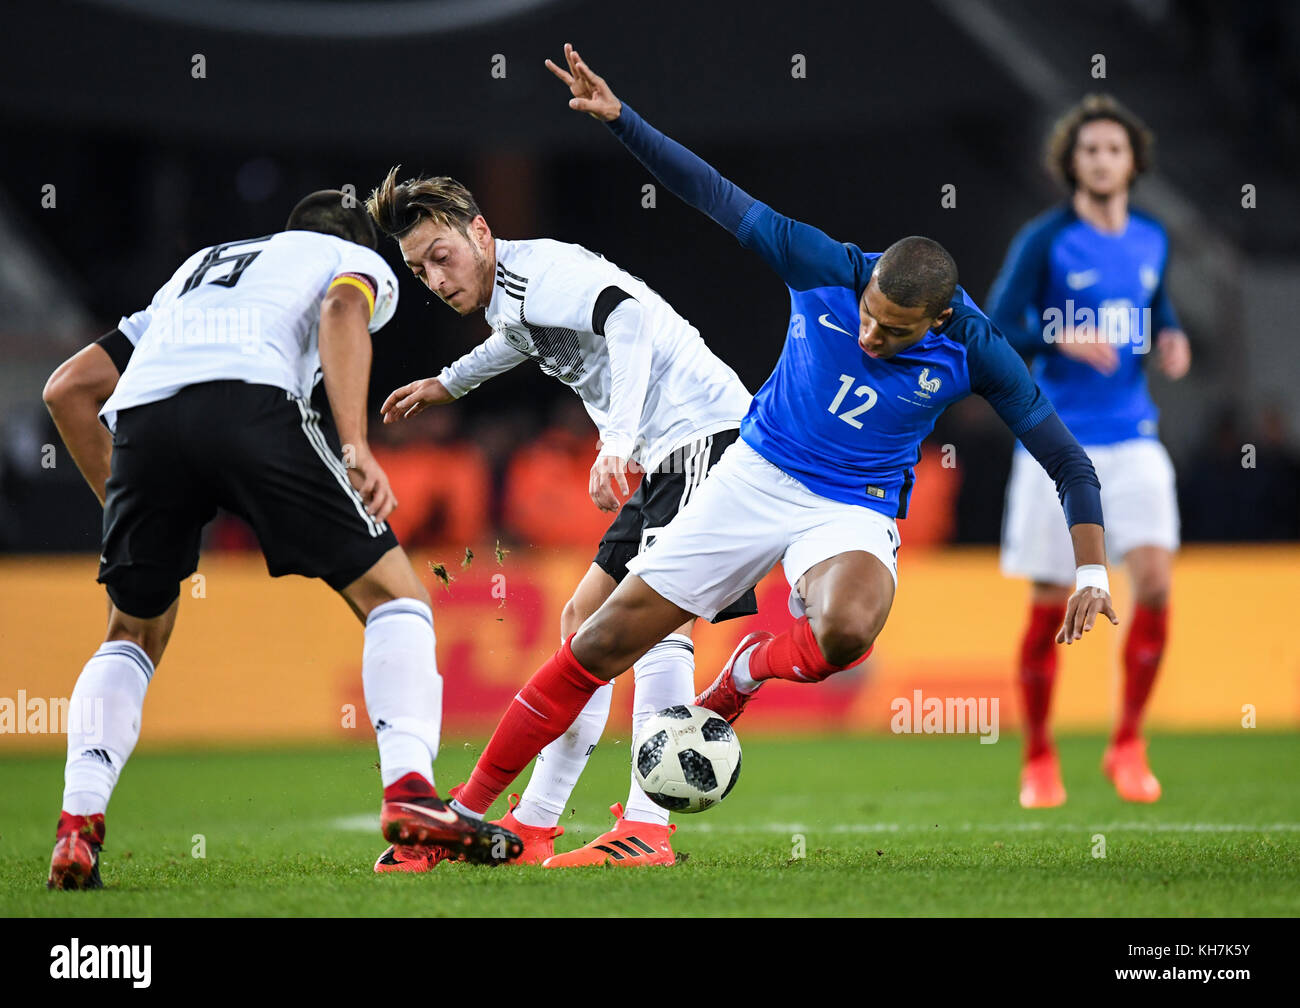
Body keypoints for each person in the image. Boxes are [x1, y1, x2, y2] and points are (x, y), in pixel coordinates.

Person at [433, 44, 1119, 835]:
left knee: (848, 631)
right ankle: (463, 813)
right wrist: (624, 121)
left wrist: (1091, 569)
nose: (868, 334)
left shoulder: (977, 347)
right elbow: (714, 194)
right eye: (866, 313)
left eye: (892, 332)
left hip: (851, 507)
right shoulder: (822, 263)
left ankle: (745, 674)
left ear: (935, 321)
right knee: (600, 639)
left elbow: (1067, 459)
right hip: (751, 475)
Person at [41, 190, 520, 889]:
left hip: (145, 428)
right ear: (359, 242)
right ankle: (411, 793)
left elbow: (67, 390)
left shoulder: (196, 270)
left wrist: (125, 505)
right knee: (396, 596)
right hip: (252, 405)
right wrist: (355, 445)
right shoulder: (350, 261)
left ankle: (76, 830)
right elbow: (341, 310)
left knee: (131, 632)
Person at [366, 167, 754, 868]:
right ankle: (535, 823)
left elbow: (627, 318)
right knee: (585, 625)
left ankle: (648, 826)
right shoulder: (512, 294)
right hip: (669, 452)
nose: (433, 276)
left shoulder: (542, 271)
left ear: (480, 233)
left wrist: (615, 441)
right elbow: (517, 339)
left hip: (704, 437)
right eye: (418, 268)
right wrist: (447, 384)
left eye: (441, 256)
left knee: (655, 630)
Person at [988, 95, 1191, 807]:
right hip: (1056, 440)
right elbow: (998, 323)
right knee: (1050, 603)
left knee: (1158, 583)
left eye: (1113, 148)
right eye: (1089, 150)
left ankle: (1127, 742)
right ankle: (1039, 756)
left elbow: (1155, 305)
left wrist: (1171, 336)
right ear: (1071, 163)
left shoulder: (1153, 238)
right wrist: (1056, 335)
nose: (1101, 159)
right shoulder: (1045, 239)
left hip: (1134, 435)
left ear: (1133, 161)